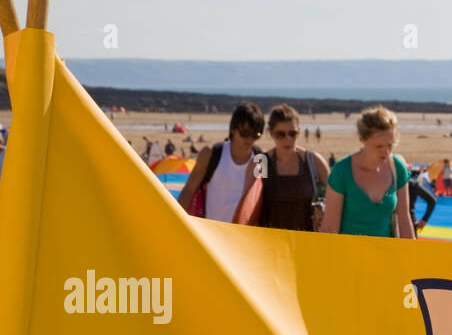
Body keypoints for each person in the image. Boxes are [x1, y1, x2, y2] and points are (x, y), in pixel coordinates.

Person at [320, 106, 415, 238]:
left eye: (390, 145)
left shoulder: (397, 168)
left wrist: (413, 256)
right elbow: (330, 228)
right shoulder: (342, 171)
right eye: (379, 146)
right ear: (363, 139)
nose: (386, 152)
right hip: (347, 255)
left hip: (385, 255)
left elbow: (404, 219)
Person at [177, 102, 265, 223]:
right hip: (211, 233)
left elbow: (262, 199)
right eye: (245, 133)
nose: (250, 139)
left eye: (256, 134)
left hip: (245, 235)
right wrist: (175, 221)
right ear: (233, 129)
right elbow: (189, 190)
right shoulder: (211, 155)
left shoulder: (260, 160)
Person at [256, 104, 329, 232]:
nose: (287, 139)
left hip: (307, 242)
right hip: (269, 242)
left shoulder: (313, 162)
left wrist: (323, 210)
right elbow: (250, 202)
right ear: (271, 133)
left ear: (299, 132)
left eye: (292, 133)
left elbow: (337, 198)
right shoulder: (262, 162)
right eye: (280, 134)